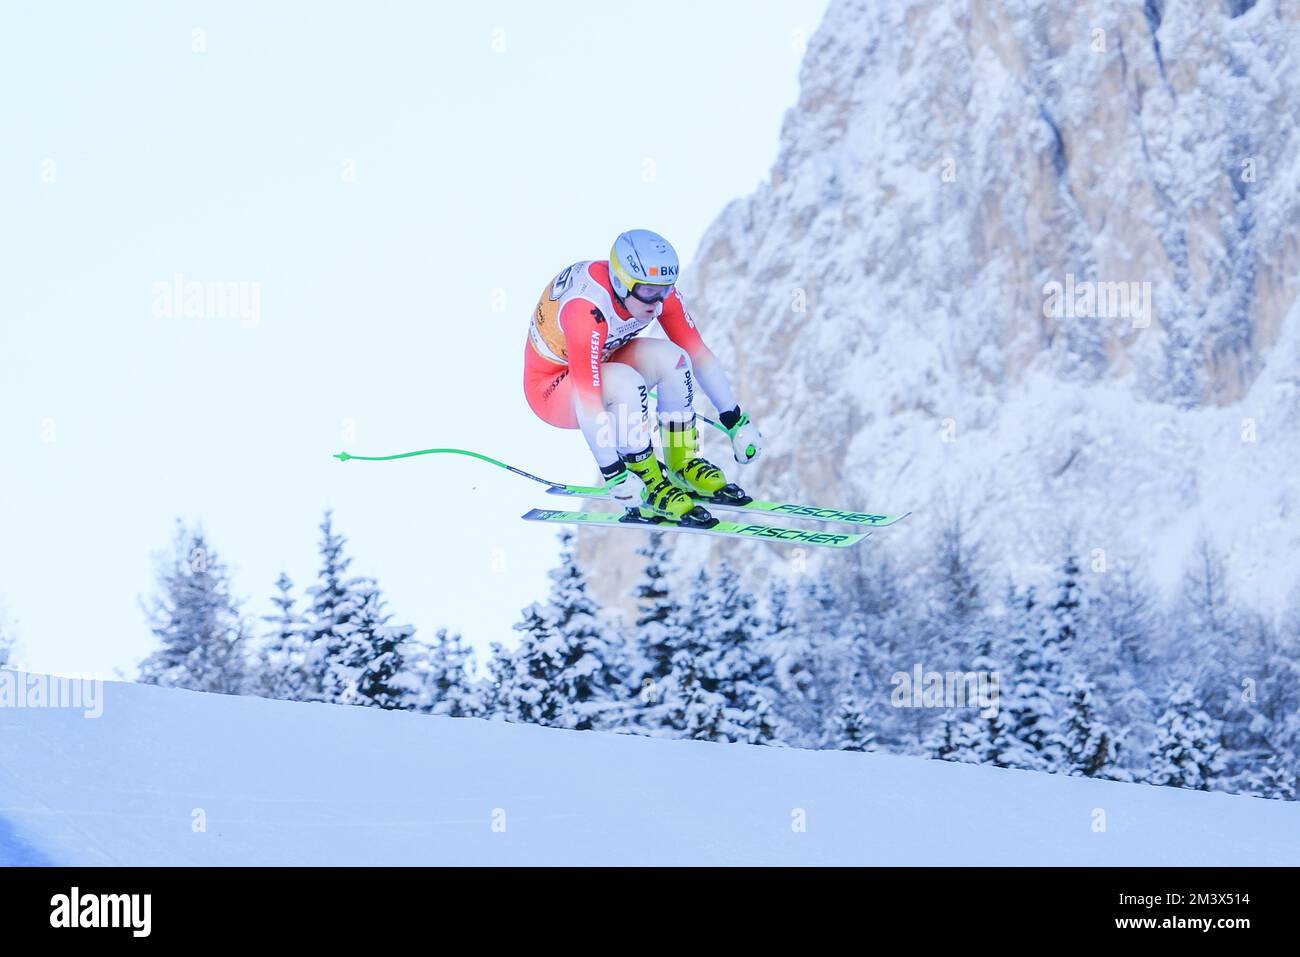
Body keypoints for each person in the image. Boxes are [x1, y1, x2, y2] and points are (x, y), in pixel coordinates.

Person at [522, 229, 762, 523]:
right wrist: (614, 474)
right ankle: (644, 477)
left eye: (665, 289)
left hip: (604, 359)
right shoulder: (586, 309)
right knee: (625, 382)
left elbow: (700, 355)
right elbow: (588, 402)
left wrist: (736, 422)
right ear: (622, 283)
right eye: (649, 292)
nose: (659, 303)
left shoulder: (654, 294)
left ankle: (682, 462)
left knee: (676, 360)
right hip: (553, 386)